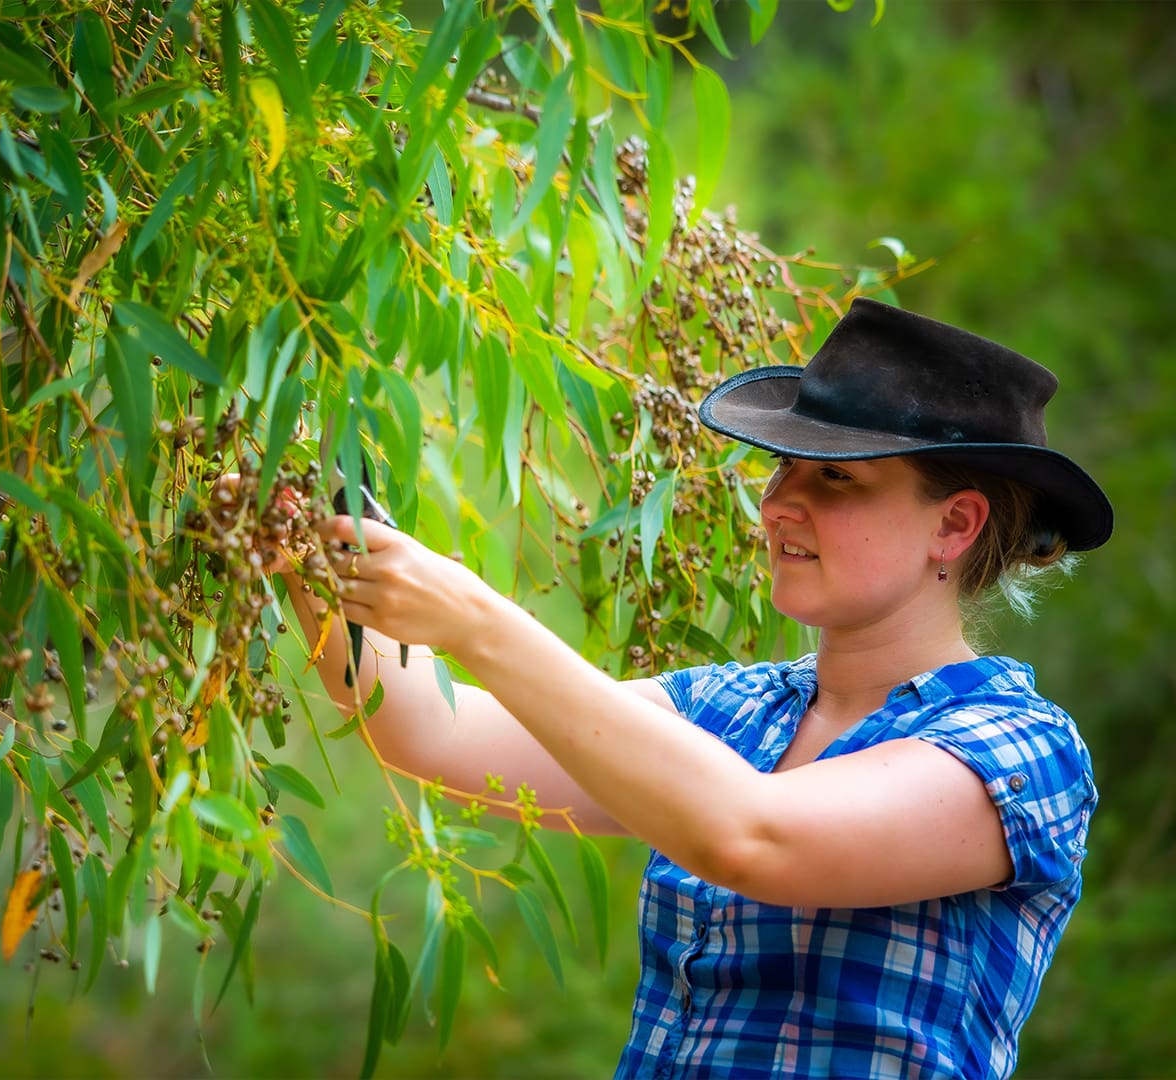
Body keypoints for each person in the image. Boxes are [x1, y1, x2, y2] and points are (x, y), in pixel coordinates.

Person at [273, 297, 1113, 1078]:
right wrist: (303, 514)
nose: (778, 503)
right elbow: (429, 729)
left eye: (837, 479)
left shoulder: (1019, 751)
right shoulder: (731, 711)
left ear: (954, 524)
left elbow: (753, 837)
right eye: (784, 466)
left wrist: (475, 621)